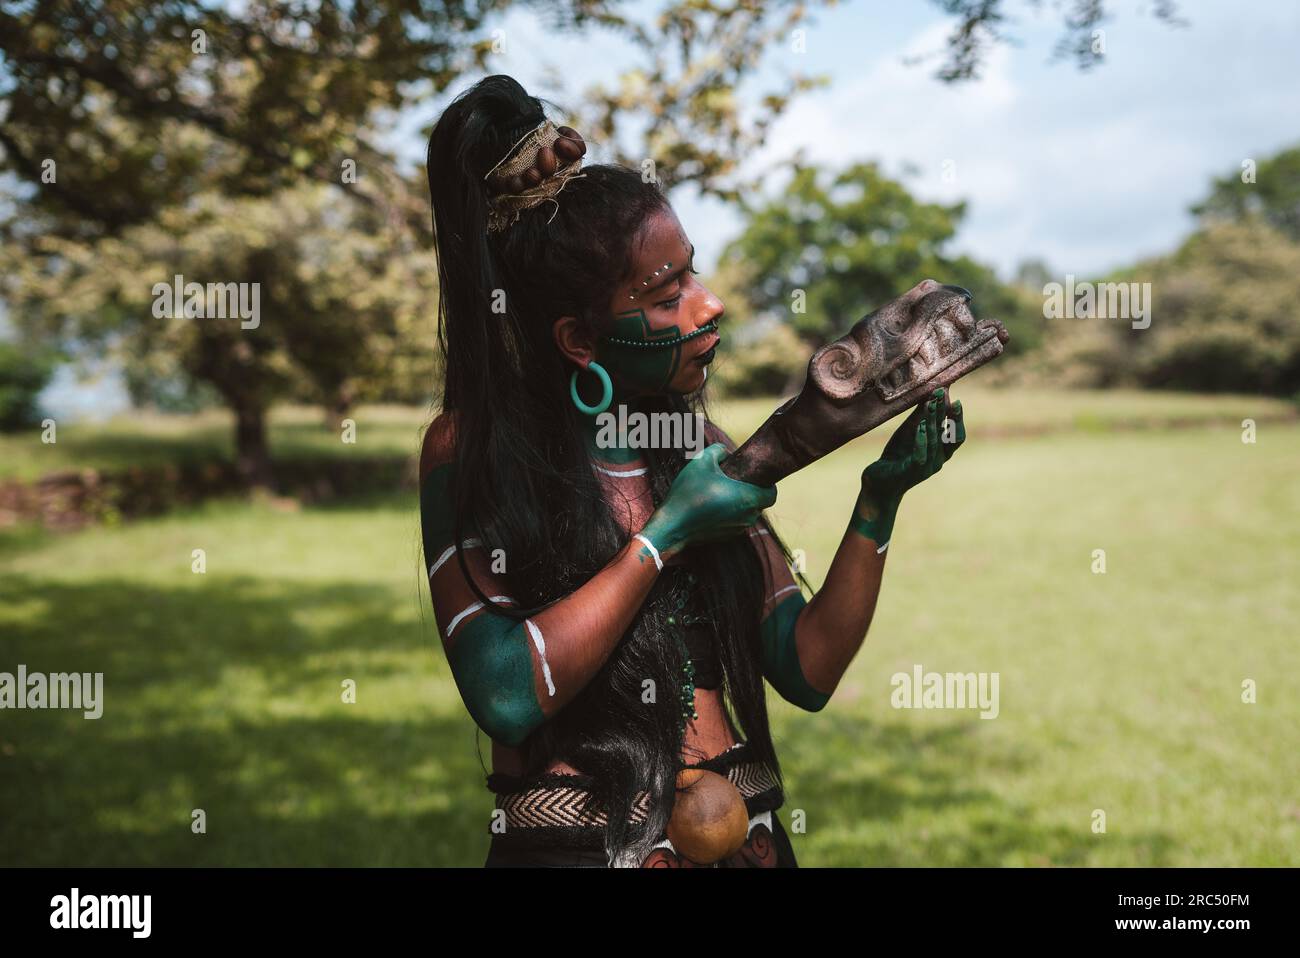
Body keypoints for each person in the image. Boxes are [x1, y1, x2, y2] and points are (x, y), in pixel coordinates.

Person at [419, 75, 966, 867]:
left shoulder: (693, 440)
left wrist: (878, 500)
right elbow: (503, 694)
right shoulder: (472, 449)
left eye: (693, 273)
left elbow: (806, 668)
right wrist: (666, 536)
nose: (707, 306)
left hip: (749, 843)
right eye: (666, 290)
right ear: (580, 341)